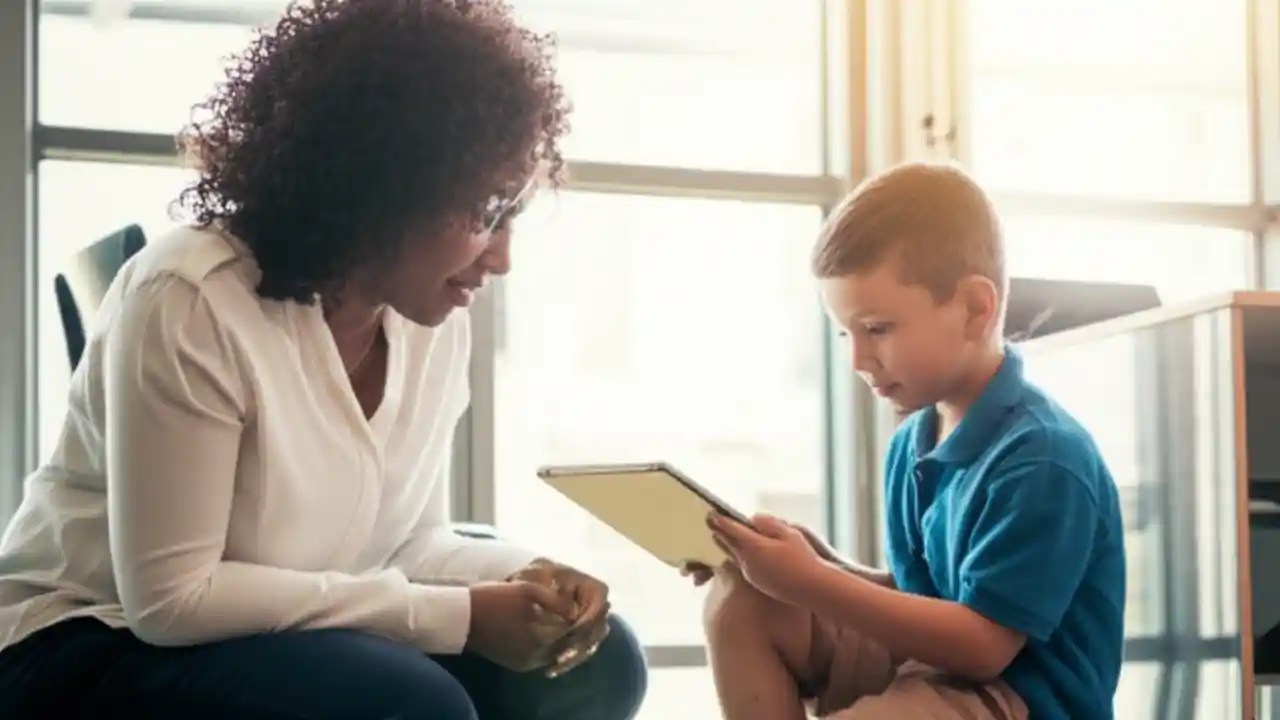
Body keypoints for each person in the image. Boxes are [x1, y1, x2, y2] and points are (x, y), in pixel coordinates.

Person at [0, 1, 647, 718]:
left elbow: (407, 540)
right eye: (485, 212)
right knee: (411, 702)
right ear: (390, 182)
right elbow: (173, 600)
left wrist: (526, 578)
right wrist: (459, 616)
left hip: (264, 631)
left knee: (602, 662)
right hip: (84, 642)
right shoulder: (192, 297)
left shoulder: (432, 309)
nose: (501, 258)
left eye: (512, 215)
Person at [686, 162, 1126, 719]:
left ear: (974, 308)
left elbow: (982, 645)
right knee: (744, 600)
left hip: (1024, 697)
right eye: (847, 333)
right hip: (938, 670)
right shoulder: (914, 441)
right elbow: (923, 601)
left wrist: (814, 582)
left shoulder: (1043, 459)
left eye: (878, 329)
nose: (857, 359)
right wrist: (804, 565)